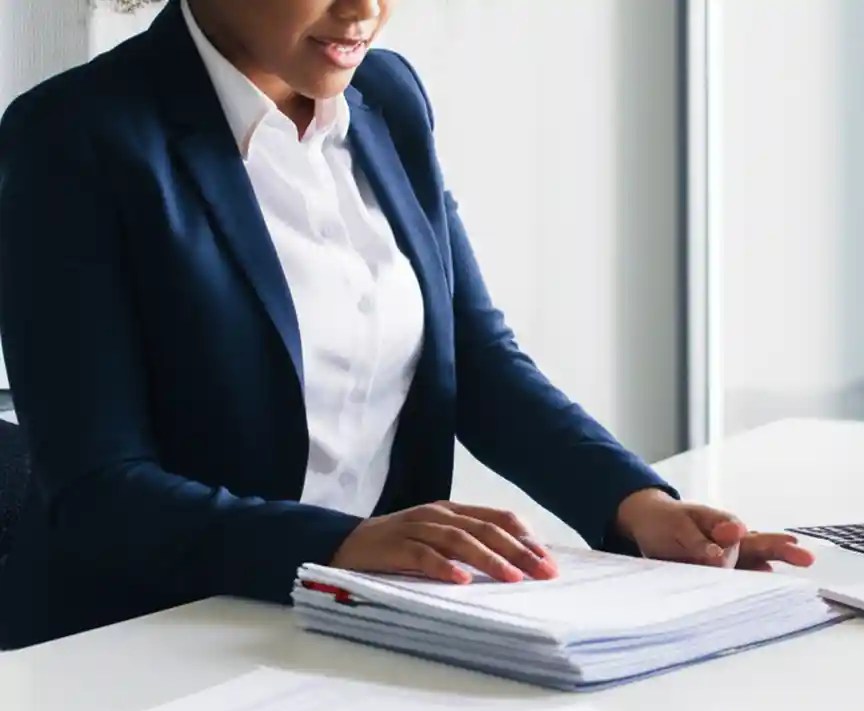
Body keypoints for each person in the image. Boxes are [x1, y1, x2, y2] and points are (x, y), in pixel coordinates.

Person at [0, 0, 813, 649]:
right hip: (142, 642)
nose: (365, 9)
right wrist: (342, 543)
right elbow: (100, 491)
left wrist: (637, 507)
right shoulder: (75, 137)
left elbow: (479, 367)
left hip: (362, 628)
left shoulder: (386, 97)